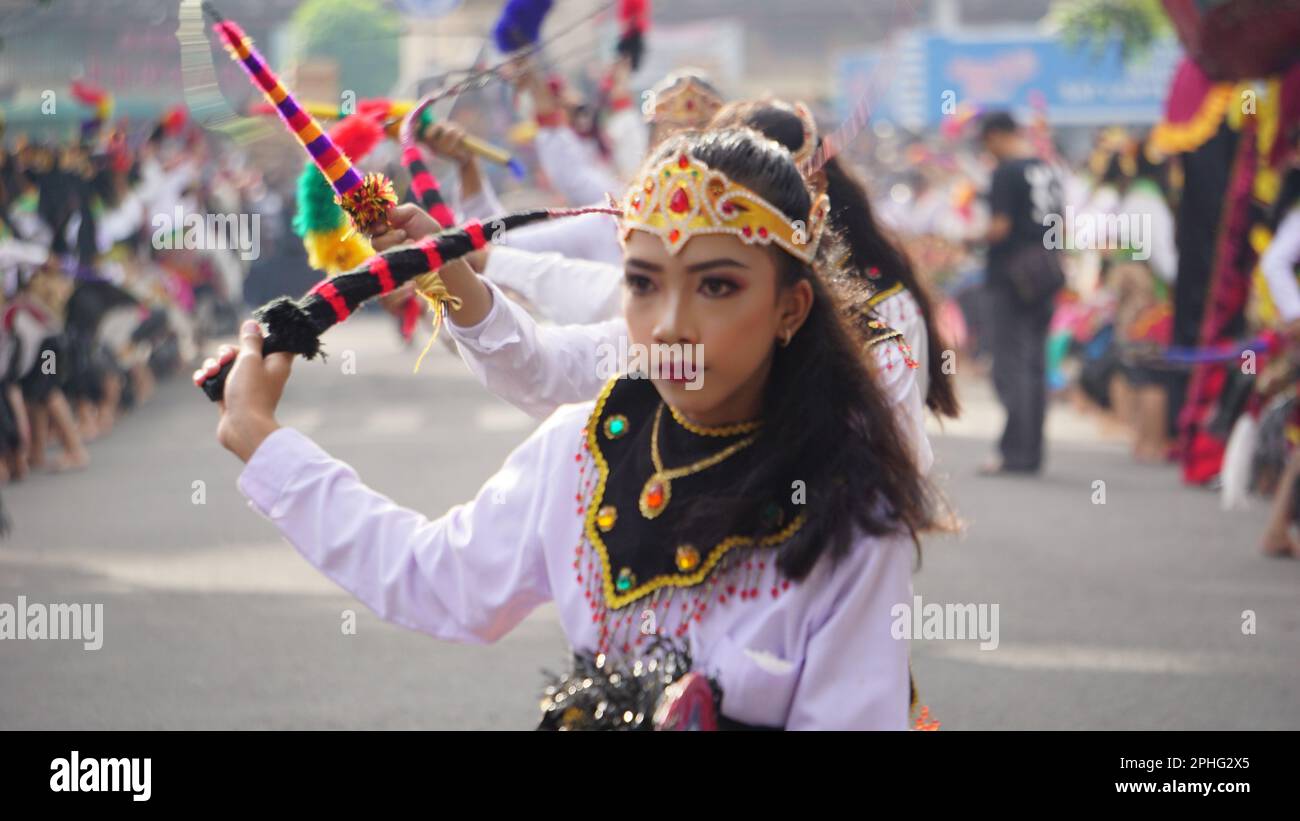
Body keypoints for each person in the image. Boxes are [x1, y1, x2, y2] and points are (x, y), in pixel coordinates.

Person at [210, 129, 939, 729]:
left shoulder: (850, 507)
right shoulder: (584, 449)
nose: (671, 324)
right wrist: (263, 440)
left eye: (718, 285)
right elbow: (433, 578)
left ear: (791, 306)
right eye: (643, 283)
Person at [977, 111, 1064, 475]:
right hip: (1046, 273)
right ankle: (1029, 452)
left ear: (996, 135)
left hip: (1012, 277)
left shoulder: (1007, 172)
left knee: (1010, 366)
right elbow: (1058, 227)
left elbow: (1000, 228)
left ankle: (1016, 453)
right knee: (1034, 365)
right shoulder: (1048, 170)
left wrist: (968, 239)